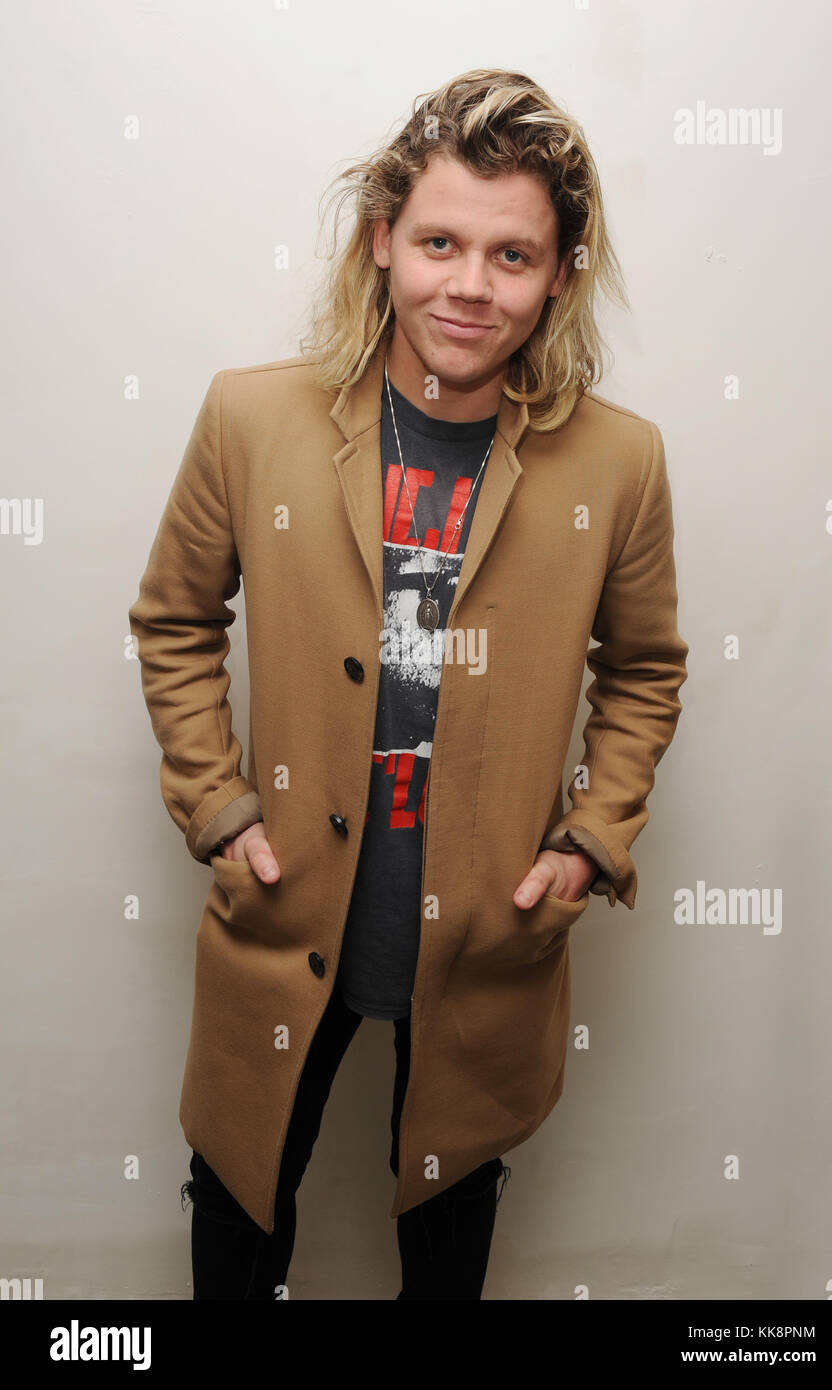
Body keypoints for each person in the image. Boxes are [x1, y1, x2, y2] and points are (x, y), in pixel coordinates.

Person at [129, 67, 688, 1300]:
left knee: (444, 1247)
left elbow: (643, 668)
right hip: (287, 924)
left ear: (558, 274)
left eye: (511, 254)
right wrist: (218, 809)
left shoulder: (621, 461)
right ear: (382, 238)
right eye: (439, 241)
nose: (469, 285)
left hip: (488, 939)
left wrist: (591, 841)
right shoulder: (249, 420)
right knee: (236, 1225)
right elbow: (173, 617)